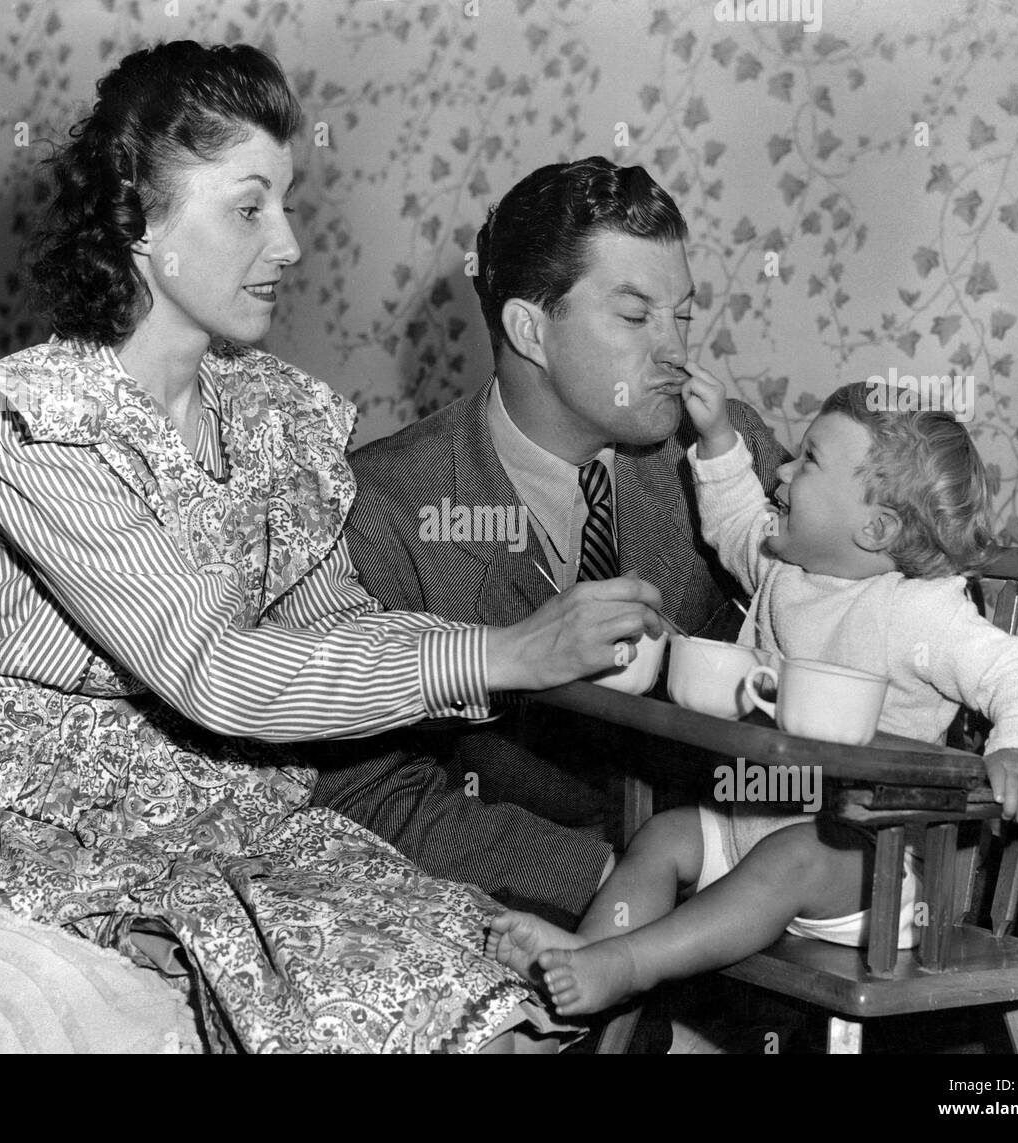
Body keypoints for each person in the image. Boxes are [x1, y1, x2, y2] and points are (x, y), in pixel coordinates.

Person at [0, 41, 669, 1054]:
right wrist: (502, 653)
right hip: (47, 816)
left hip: (243, 812)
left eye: (288, 203)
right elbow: (215, 668)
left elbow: (336, 623)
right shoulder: (31, 427)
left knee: (505, 1022)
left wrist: (494, 651)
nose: (291, 244)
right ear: (138, 217)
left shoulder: (275, 417)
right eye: (249, 206)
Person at [487, 373, 1018, 1015]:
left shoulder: (919, 612)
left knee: (795, 854)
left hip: (871, 865)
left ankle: (629, 963)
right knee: (665, 838)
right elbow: (734, 521)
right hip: (760, 821)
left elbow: (1013, 670)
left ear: (874, 528)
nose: (782, 471)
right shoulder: (788, 574)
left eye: (809, 460)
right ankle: (588, 950)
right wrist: (717, 438)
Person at [309, 157, 789, 925]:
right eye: (636, 317)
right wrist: (621, 880)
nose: (676, 353)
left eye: (684, 315)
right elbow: (364, 796)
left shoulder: (725, 456)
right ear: (530, 329)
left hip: (747, 906)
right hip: (510, 916)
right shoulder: (383, 507)